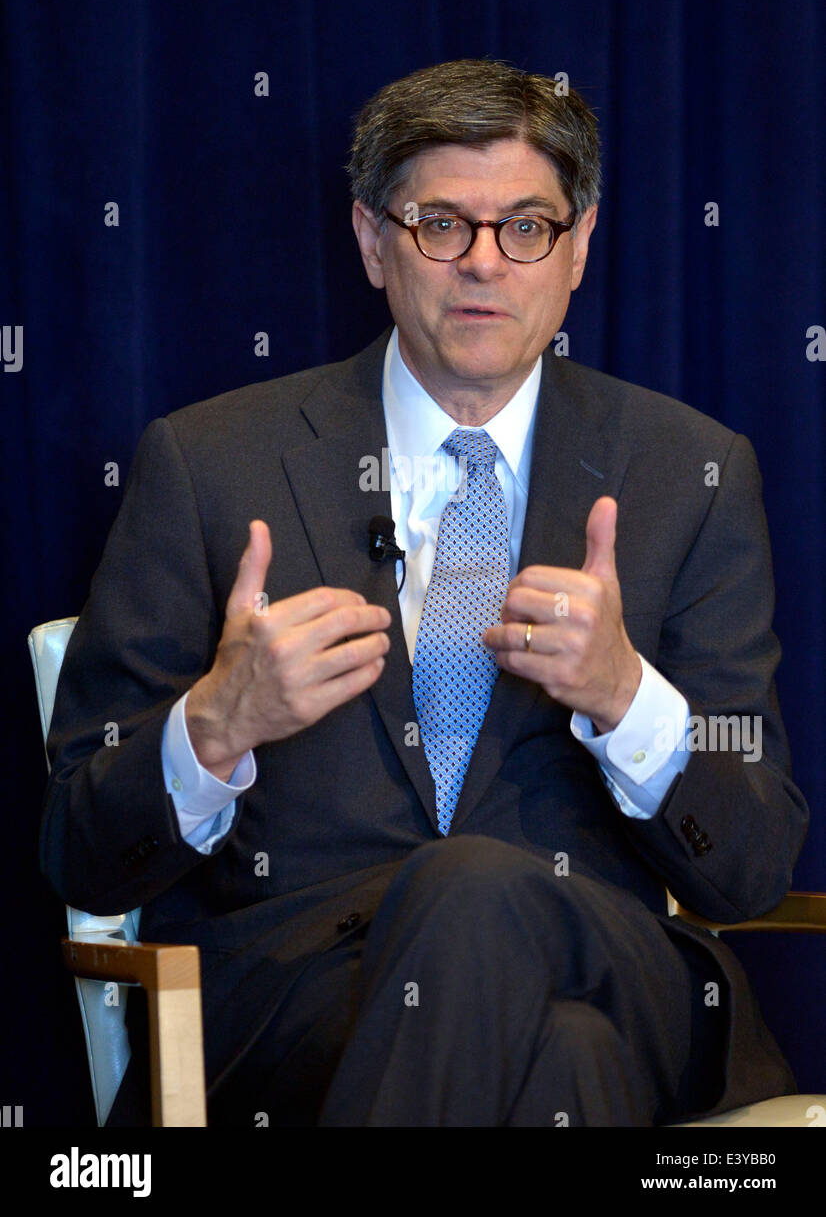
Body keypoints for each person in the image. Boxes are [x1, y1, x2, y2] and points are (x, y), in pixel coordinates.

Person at [40, 58, 809, 1127]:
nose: (483, 265)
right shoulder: (211, 463)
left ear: (579, 246)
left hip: (614, 967)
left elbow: (754, 863)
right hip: (306, 994)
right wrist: (213, 729)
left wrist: (628, 696)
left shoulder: (689, 471)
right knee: (563, 1061)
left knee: (482, 891)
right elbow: (79, 846)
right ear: (371, 240)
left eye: (526, 227)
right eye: (440, 224)